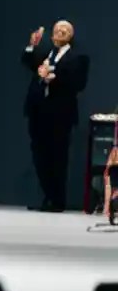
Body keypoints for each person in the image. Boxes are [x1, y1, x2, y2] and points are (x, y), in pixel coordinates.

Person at [21, 21, 90, 211]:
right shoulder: (45, 54)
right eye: (58, 29)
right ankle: (48, 196)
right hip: (38, 113)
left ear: (71, 36)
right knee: (40, 157)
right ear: (52, 35)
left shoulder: (78, 58)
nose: (60, 32)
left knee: (57, 157)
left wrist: (54, 78)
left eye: (65, 30)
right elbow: (28, 61)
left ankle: (57, 200)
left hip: (60, 115)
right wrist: (32, 45)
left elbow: (79, 83)